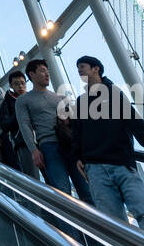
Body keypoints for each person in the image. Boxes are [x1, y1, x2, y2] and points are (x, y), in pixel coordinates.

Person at [67, 56, 144, 235]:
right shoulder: (81, 101)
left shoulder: (113, 93)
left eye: (82, 66)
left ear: (96, 68)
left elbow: (133, 120)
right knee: (115, 225)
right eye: (78, 68)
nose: (79, 70)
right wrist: (77, 157)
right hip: (95, 169)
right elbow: (77, 132)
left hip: (122, 164)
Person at [15, 58, 90, 201]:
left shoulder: (61, 97)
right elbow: (24, 125)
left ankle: (97, 223)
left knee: (86, 190)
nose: (47, 74)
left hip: (70, 145)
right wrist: (34, 150)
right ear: (32, 74)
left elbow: (75, 123)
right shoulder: (24, 100)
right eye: (42, 71)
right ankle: (67, 223)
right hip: (49, 147)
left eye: (47, 71)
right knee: (62, 193)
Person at [0, 69, 29, 172]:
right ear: (11, 86)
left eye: (22, 83)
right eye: (16, 84)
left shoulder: (31, 98)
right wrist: (20, 111)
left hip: (40, 141)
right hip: (22, 142)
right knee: (32, 176)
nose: (20, 86)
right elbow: (4, 124)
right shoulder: (7, 102)